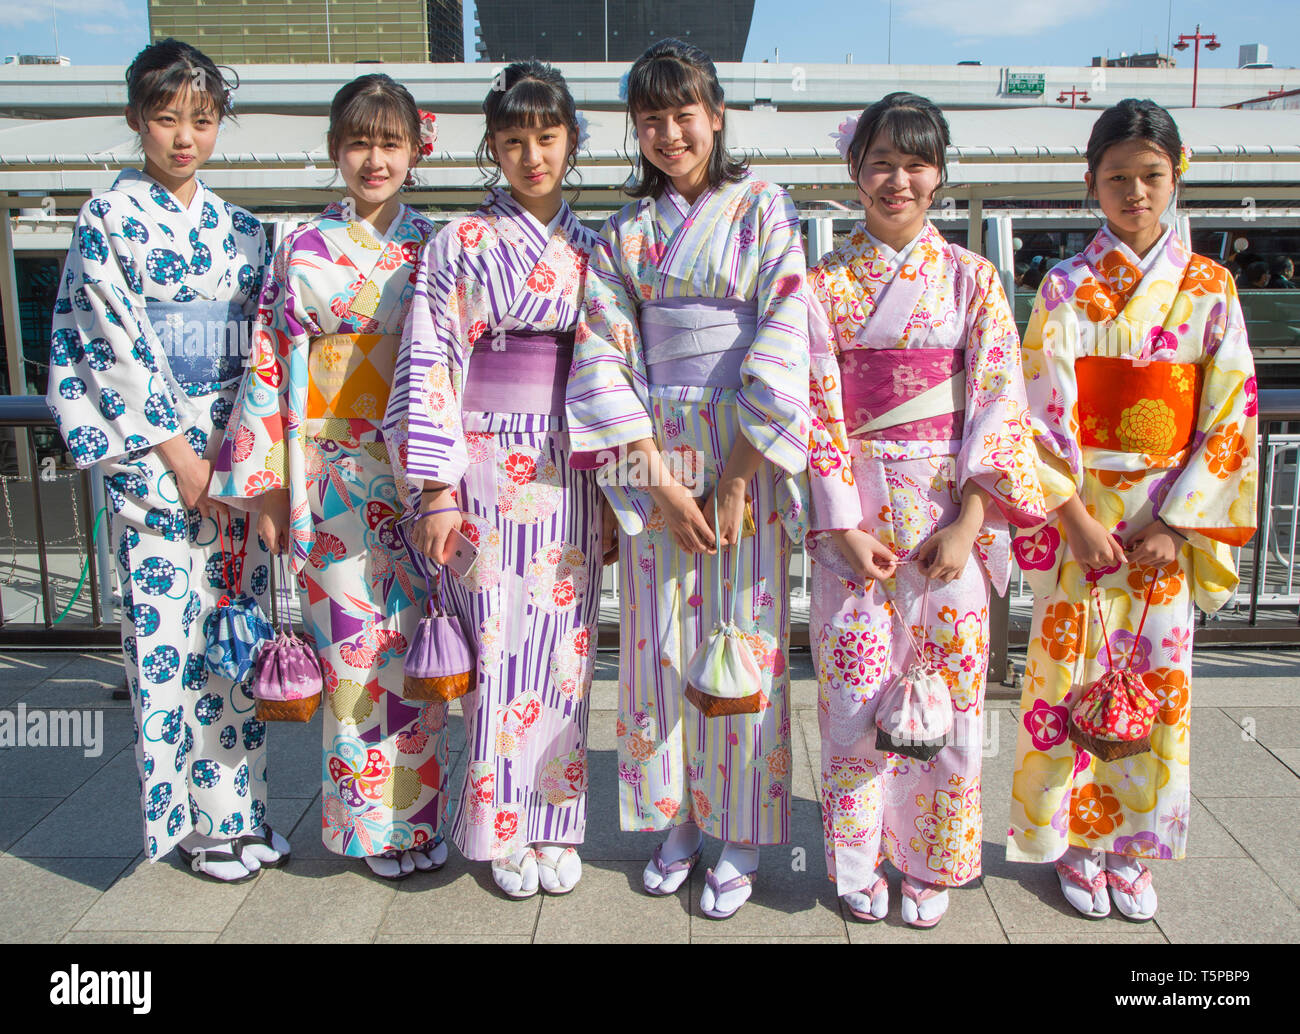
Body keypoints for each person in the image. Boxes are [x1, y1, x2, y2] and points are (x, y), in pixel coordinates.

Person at [566, 38, 811, 920]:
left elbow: (787, 333)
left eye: (685, 113)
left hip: (747, 435)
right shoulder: (621, 236)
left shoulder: (764, 207)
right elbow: (602, 359)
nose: (670, 132)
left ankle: (742, 829)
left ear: (715, 114)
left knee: (744, 637)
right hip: (656, 450)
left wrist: (742, 473)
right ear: (636, 129)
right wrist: (658, 484)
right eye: (652, 118)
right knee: (655, 644)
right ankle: (673, 817)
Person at [1007, 99, 1257, 921]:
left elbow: (1230, 414)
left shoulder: (1211, 287)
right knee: (1070, 677)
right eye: (1118, 178)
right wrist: (1072, 515)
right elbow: (1036, 412)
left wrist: (1177, 524)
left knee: (1155, 684)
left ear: (1176, 176)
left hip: (1164, 528)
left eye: (1152, 175)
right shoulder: (1067, 286)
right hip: (1084, 515)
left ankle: (1134, 848)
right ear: (1091, 184)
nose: (1136, 192)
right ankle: (1074, 846)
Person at [46, 38, 286, 882]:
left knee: (235, 638)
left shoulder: (247, 232)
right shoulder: (105, 222)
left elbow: (264, 353)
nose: (184, 138)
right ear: (135, 120)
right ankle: (188, 824)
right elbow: (105, 346)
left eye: (202, 120)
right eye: (166, 118)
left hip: (236, 458)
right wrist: (181, 454)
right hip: (158, 462)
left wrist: (246, 458)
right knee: (168, 646)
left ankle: (240, 810)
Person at [804, 92, 1045, 928]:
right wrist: (840, 523)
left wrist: (973, 521)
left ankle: (931, 858)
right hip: (856, 522)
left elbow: (1000, 405)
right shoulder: (823, 285)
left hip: (951, 521)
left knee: (949, 701)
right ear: (854, 171)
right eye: (879, 163)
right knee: (853, 701)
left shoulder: (973, 281)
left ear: (939, 174)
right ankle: (859, 857)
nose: (896, 180)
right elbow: (815, 409)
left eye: (914, 163)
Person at [384, 61, 612, 899]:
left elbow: (621, 374)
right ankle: (498, 825)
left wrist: (621, 488)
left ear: (572, 142)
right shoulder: (460, 244)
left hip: (573, 461)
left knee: (568, 649)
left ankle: (557, 815)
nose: (531, 156)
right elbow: (431, 364)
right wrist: (438, 490)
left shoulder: (598, 249)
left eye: (546, 138)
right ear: (492, 147)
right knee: (497, 645)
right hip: (483, 457)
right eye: (512, 141)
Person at [212, 74, 448, 880]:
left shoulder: (436, 246)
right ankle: (365, 831)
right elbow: (270, 365)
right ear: (335, 151)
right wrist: (273, 484)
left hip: (415, 469)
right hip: (328, 471)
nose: (373, 159)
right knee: (353, 652)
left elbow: (455, 363)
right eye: (358, 142)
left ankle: (416, 822)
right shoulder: (302, 248)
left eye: (389, 142)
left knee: (415, 650)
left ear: (417, 149)